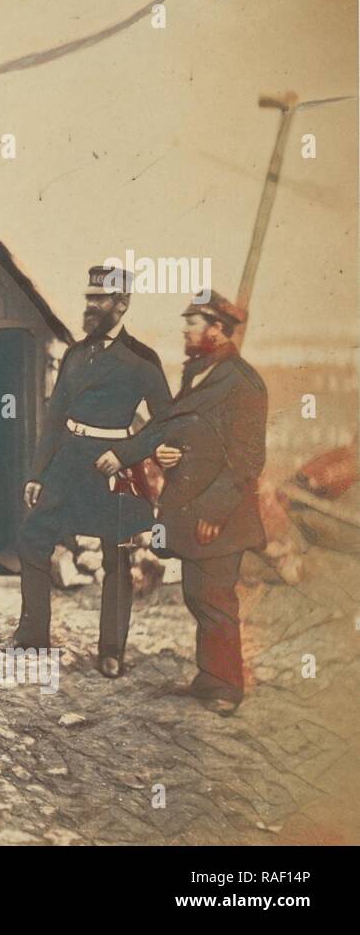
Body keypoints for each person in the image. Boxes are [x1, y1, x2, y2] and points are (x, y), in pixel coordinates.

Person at [98, 292, 267, 714]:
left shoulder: (243, 383)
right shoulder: (199, 373)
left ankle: (227, 686)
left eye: (193, 323)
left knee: (214, 596)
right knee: (197, 593)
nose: (186, 330)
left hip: (219, 512)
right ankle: (211, 675)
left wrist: (215, 511)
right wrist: (156, 452)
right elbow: (172, 429)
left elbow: (248, 460)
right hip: (191, 507)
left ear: (217, 330)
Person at [11, 266, 172, 677]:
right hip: (66, 464)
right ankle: (33, 640)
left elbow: (166, 420)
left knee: (116, 556)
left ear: (122, 304)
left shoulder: (142, 359)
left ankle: (111, 650)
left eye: (99, 299)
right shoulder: (75, 354)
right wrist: (36, 473)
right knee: (32, 540)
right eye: (88, 297)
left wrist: (126, 453)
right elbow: (54, 417)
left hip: (111, 470)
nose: (90, 305)